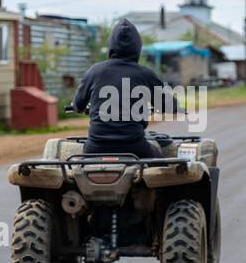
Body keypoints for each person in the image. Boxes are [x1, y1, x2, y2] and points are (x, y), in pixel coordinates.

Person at [72, 18, 174, 158]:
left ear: (110, 46)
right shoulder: (145, 74)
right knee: (164, 160)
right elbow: (169, 106)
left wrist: (82, 107)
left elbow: (78, 105)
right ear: (137, 47)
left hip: (95, 148)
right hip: (135, 147)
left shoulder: (94, 71)